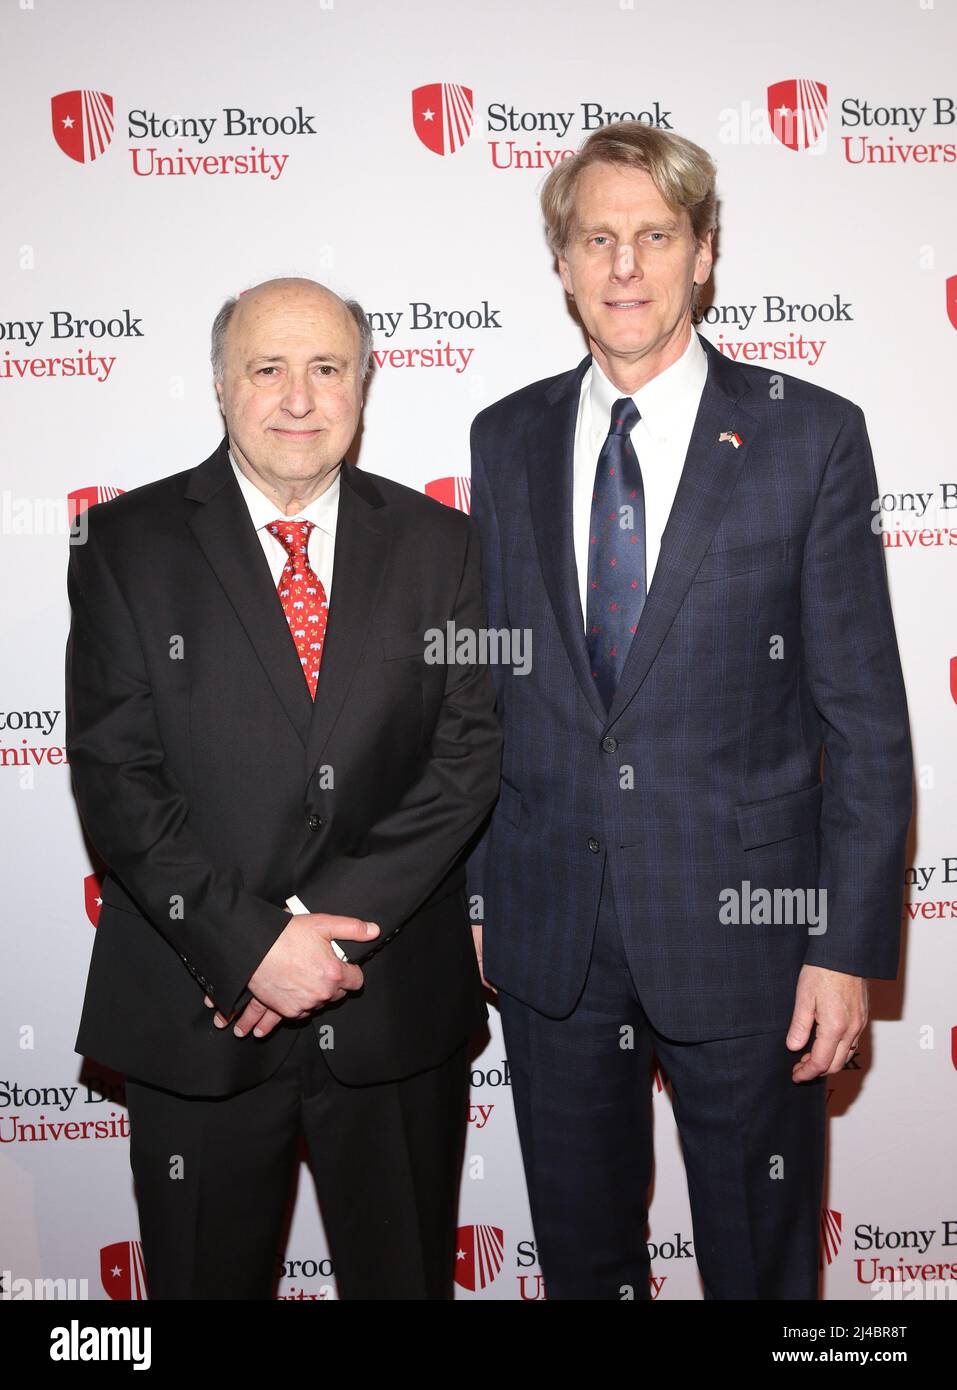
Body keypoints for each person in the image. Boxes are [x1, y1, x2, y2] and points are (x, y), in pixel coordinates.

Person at [466, 122, 912, 1300]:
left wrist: (845, 947)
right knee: (585, 1265)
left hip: (752, 944)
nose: (625, 266)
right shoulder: (502, 440)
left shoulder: (810, 437)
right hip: (553, 939)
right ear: (560, 263)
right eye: (597, 237)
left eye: (655, 236)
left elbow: (865, 716)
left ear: (704, 253)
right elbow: (483, 695)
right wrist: (477, 891)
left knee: (763, 1273)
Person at [66, 276, 502, 1299]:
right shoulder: (127, 546)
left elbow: (466, 755)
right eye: (269, 368)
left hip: (391, 1006)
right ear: (222, 385)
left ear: (364, 386)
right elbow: (117, 776)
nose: (299, 397)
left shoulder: (443, 546)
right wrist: (252, 944)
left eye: (327, 369)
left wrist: (314, 925)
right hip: (196, 1009)